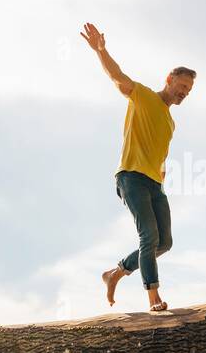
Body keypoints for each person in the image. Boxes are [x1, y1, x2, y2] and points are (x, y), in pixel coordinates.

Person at [80, 22, 195, 312]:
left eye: (188, 90)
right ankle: (153, 298)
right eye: (181, 86)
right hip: (131, 177)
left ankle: (115, 273)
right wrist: (101, 51)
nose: (184, 92)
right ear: (169, 79)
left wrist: (162, 172)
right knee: (149, 236)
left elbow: (159, 152)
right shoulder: (143, 96)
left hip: (154, 183)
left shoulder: (170, 122)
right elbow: (117, 76)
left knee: (164, 242)